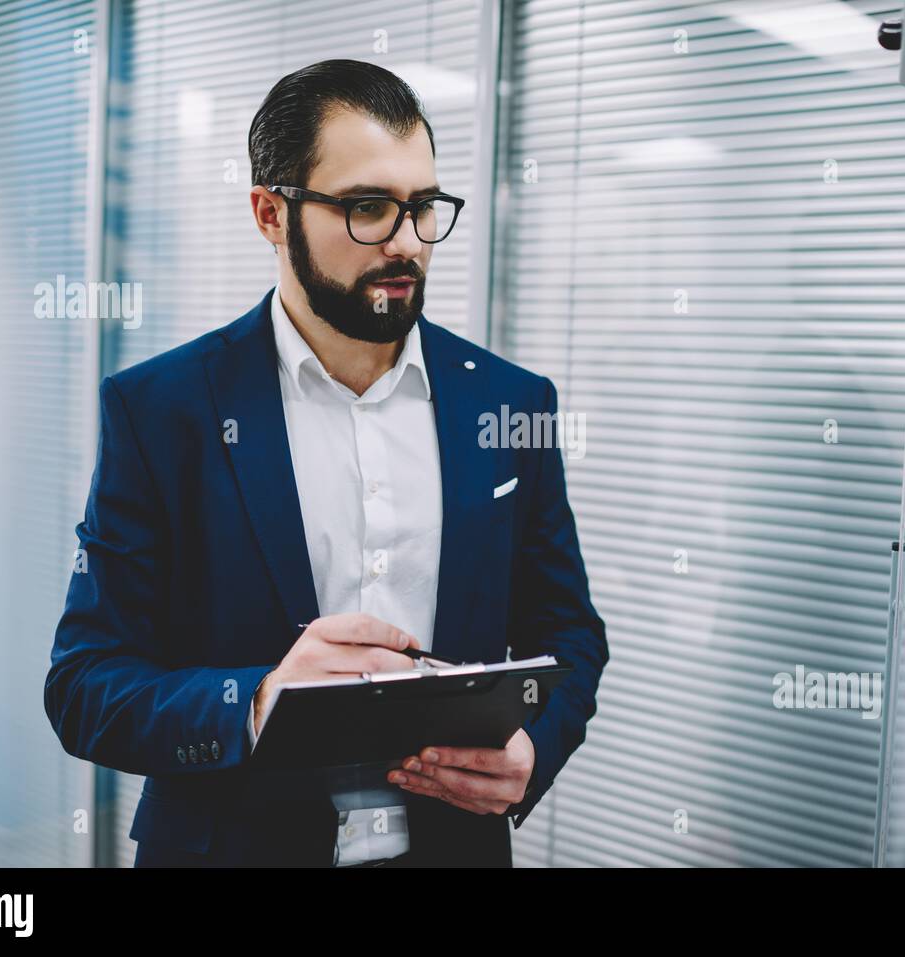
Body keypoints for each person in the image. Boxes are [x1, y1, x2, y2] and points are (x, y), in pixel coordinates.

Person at [44, 59, 608, 867]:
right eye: (369, 208)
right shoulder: (161, 410)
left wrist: (534, 748)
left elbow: (570, 631)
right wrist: (262, 699)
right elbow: (85, 686)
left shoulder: (511, 404)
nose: (408, 242)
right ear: (271, 213)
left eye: (423, 208)